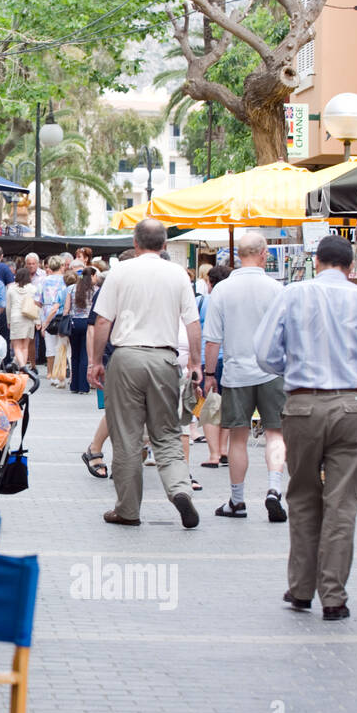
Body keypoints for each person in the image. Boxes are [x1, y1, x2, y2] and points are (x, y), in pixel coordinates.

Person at [254, 235, 357, 621]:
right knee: (342, 503)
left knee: (301, 496)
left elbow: (265, 353)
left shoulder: (292, 295)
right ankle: (333, 597)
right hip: (354, 406)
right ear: (351, 266)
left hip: (302, 405)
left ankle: (301, 589)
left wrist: (297, 368)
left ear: (316, 261)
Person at [88, 219, 202, 529]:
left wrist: (95, 361)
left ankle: (127, 509)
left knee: (127, 436)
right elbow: (192, 323)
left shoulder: (121, 272)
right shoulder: (178, 274)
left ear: (135, 244)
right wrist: (195, 364)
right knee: (166, 434)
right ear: (165, 244)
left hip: (126, 357)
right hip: (165, 359)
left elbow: (101, 321)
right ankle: (180, 489)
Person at [203, 231, 287, 521]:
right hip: (273, 371)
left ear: (238, 255)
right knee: (275, 433)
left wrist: (210, 373)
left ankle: (237, 501)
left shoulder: (223, 290)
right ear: (264, 253)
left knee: (238, 438)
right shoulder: (277, 289)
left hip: (237, 372)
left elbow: (212, 340)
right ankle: (274, 489)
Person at [81, 249, 139, 480]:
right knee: (118, 410)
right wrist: (94, 361)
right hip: (113, 355)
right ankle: (98, 450)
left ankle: (115, 456)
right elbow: (94, 325)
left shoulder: (139, 288)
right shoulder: (109, 289)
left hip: (133, 355)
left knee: (129, 410)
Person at [198, 264, 232, 468]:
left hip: (206, 358)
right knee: (227, 405)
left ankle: (213, 455)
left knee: (208, 406)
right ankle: (224, 449)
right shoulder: (231, 301)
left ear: (210, 283)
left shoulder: (201, 301)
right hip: (228, 358)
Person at [63, 266, 96, 394]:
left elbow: (66, 309)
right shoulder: (94, 290)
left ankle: (74, 385)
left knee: (74, 354)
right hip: (88, 323)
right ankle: (83, 386)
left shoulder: (71, 289)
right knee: (85, 354)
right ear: (92, 276)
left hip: (74, 323)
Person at [4, 267, 39, 368]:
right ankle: (23, 368)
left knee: (17, 346)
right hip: (29, 318)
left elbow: (8, 307)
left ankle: (22, 366)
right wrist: (37, 320)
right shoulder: (33, 289)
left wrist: (8, 320)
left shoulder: (11, 289)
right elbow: (36, 306)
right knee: (25, 346)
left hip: (15, 317)